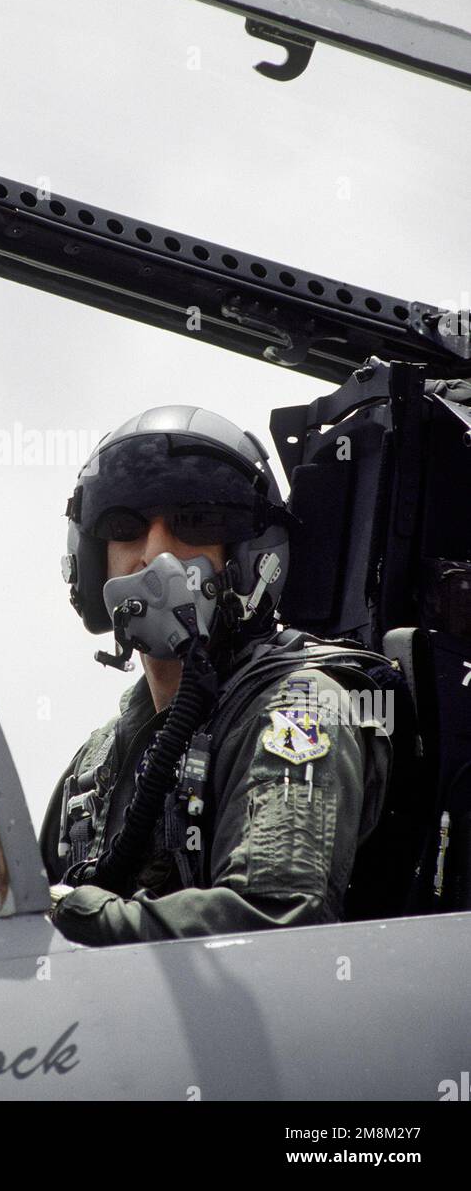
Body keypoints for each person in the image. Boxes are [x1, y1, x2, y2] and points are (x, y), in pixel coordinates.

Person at [40, 405, 392, 947]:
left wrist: (82, 917)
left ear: (252, 557)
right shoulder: (94, 768)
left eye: (196, 522)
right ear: (92, 559)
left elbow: (275, 923)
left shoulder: (300, 710)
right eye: (124, 527)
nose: (154, 554)